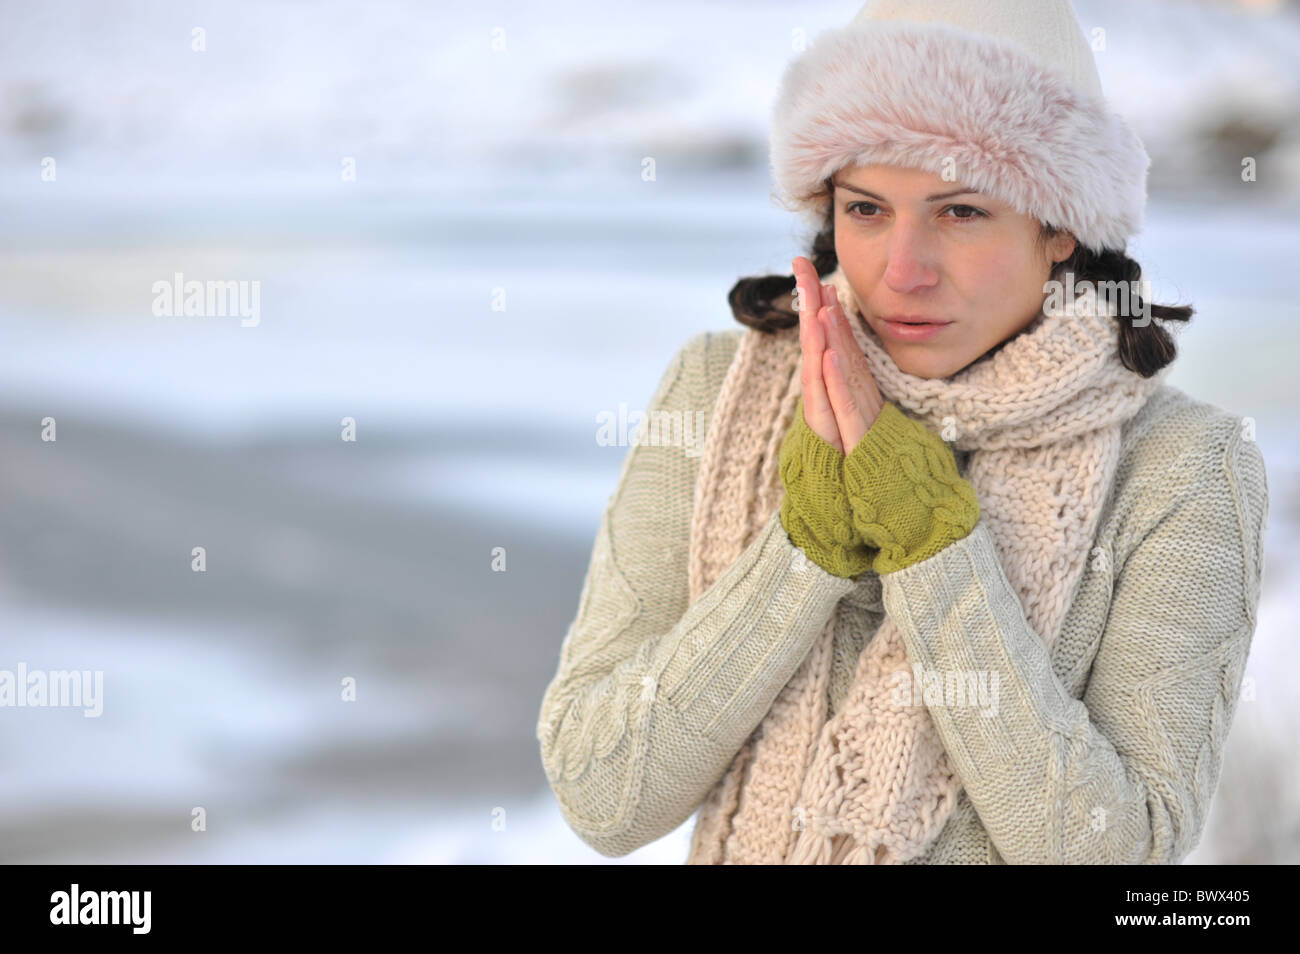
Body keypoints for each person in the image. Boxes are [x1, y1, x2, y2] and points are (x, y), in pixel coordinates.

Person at [536, 0, 1270, 864]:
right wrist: (803, 548)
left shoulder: (1183, 470)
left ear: (1061, 223)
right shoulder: (718, 390)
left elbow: (1120, 856)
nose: (903, 270)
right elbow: (602, 794)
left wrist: (934, 550)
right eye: (868, 210)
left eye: (960, 212)